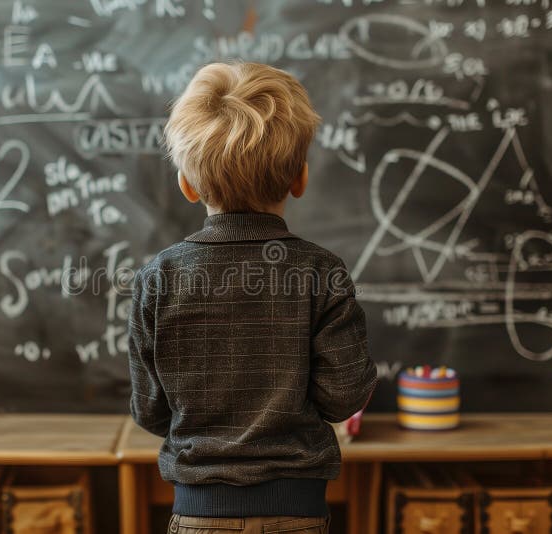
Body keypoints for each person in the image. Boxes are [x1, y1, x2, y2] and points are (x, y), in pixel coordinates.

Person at [128, 62, 377, 534]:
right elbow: (344, 396)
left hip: (197, 512)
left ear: (187, 184)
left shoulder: (158, 278)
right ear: (299, 179)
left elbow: (150, 411)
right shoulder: (320, 272)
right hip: (298, 512)